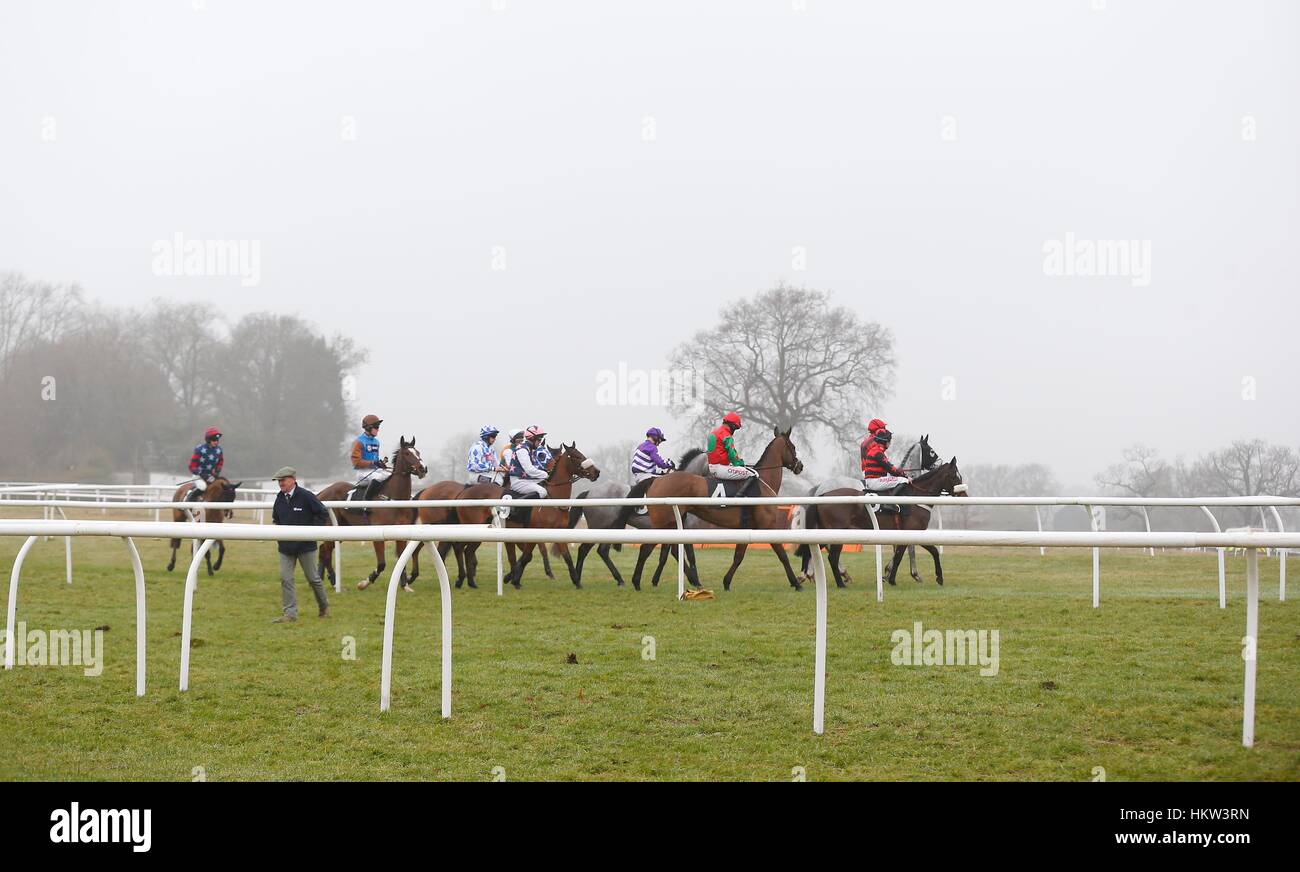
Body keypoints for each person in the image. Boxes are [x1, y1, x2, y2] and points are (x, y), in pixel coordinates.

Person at [270, 466, 331, 623]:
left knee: (313, 578)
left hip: (305, 547)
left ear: (292, 480)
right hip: (285, 548)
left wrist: (311, 531)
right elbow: (276, 518)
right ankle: (290, 613)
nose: (280, 484)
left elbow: (323, 513)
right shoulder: (279, 499)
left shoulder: (306, 496)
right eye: (279, 481)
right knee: (286, 579)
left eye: (283, 480)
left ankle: (324, 607)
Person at [350, 414, 390, 503]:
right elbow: (356, 463)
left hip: (374, 471)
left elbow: (375, 460)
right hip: (363, 473)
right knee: (379, 477)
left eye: (378, 427)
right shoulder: (359, 442)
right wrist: (373, 463)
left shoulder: (376, 442)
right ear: (368, 427)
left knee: (391, 475)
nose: (378, 429)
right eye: (376, 427)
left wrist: (381, 464)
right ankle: (367, 501)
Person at [706, 412, 756, 480]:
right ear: (732, 425)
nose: (734, 430)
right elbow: (732, 455)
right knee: (752, 474)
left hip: (711, 467)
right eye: (735, 428)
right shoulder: (726, 435)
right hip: (720, 469)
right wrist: (740, 464)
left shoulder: (714, 432)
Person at [861, 424, 909, 492]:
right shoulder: (877, 452)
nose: (890, 443)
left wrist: (899, 472)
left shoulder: (877, 450)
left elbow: (889, 467)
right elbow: (890, 468)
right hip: (874, 481)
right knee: (903, 480)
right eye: (889, 441)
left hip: (874, 480)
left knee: (898, 478)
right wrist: (903, 475)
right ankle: (891, 501)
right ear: (884, 441)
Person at [508, 425, 550, 499]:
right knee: (542, 492)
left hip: (527, 479)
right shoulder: (522, 450)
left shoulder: (530, 449)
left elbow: (536, 467)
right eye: (539, 439)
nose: (540, 442)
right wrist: (545, 475)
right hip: (518, 482)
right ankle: (517, 508)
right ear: (532, 438)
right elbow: (530, 470)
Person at [186, 427, 224, 501]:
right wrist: (201, 474)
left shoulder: (219, 450)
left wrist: (217, 471)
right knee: (202, 487)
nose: (216, 442)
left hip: (210, 476)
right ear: (208, 440)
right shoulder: (199, 449)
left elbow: (220, 462)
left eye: (217, 440)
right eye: (214, 440)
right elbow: (192, 466)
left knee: (218, 487)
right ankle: (188, 500)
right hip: (198, 476)